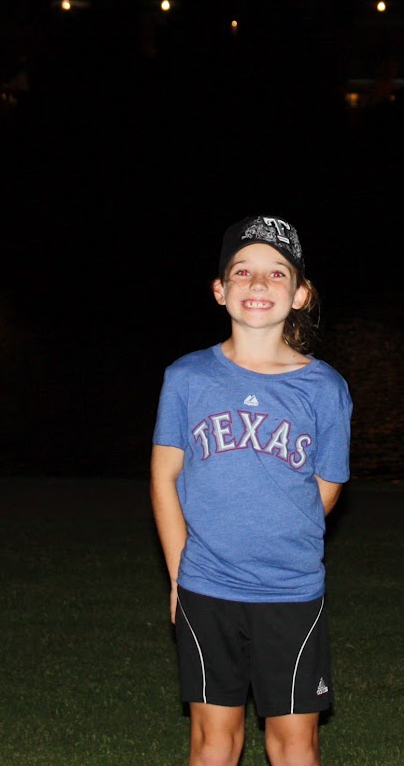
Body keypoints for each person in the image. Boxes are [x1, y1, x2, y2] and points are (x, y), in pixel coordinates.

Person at [151, 215, 353, 766]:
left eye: (276, 272)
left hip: (290, 591)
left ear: (301, 294)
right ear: (220, 290)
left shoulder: (324, 388)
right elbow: (165, 478)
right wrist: (180, 576)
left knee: (294, 744)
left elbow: (328, 484)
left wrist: (280, 533)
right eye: (242, 271)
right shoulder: (187, 378)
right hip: (206, 587)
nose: (258, 284)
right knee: (214, 742)